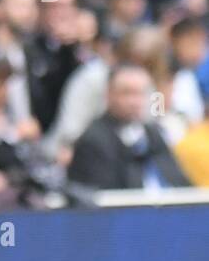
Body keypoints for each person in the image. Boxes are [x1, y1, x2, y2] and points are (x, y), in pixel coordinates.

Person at [67, 64, 189, 193]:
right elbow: (105, 196)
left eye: (141, 93)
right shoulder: (93, 139)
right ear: (109, 95)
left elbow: (179, 182)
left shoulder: (152, 134)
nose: (134, 102)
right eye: (127, 93)